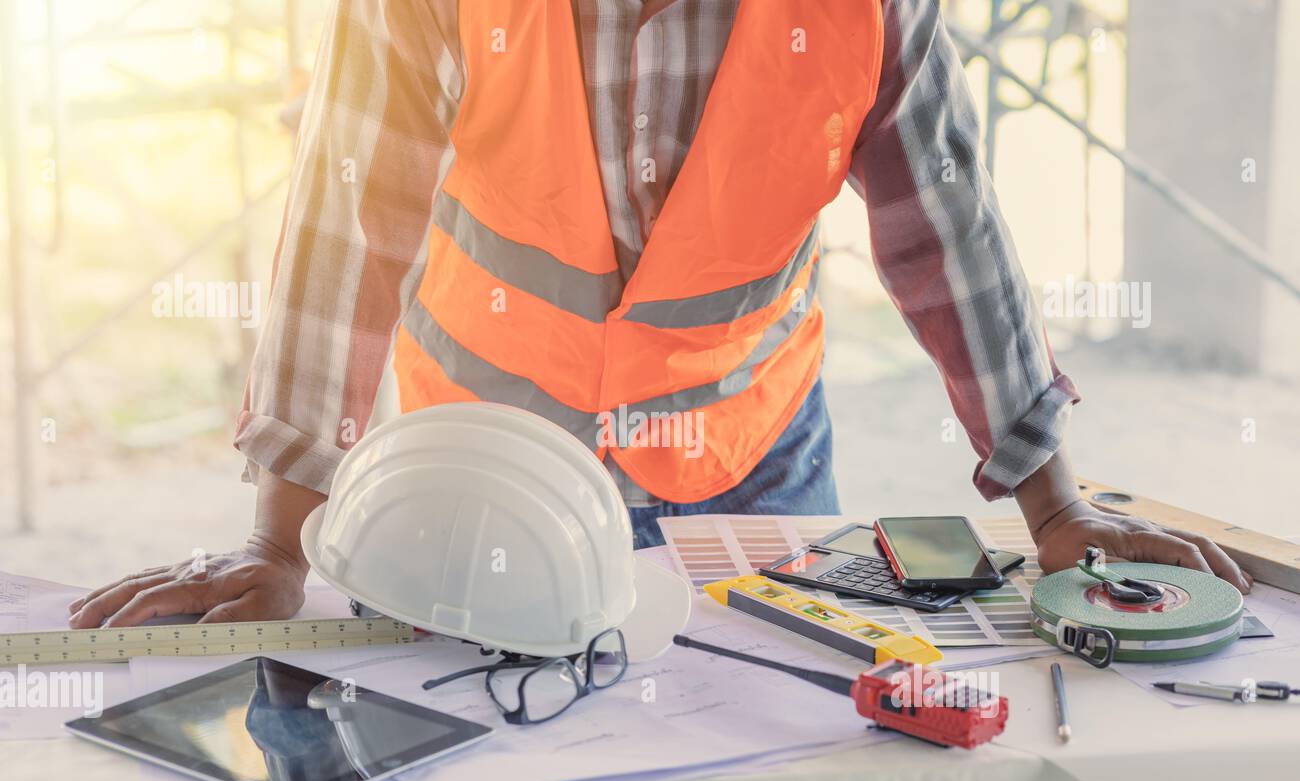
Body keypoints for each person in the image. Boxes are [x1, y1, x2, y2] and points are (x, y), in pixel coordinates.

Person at [69, 0, 1248, 630]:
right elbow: (350, 209)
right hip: (479, 456)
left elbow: (943, 227)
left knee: (741, 774)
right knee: (476, 779)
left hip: (750, 454)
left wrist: (1056, 507)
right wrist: (281, 538)